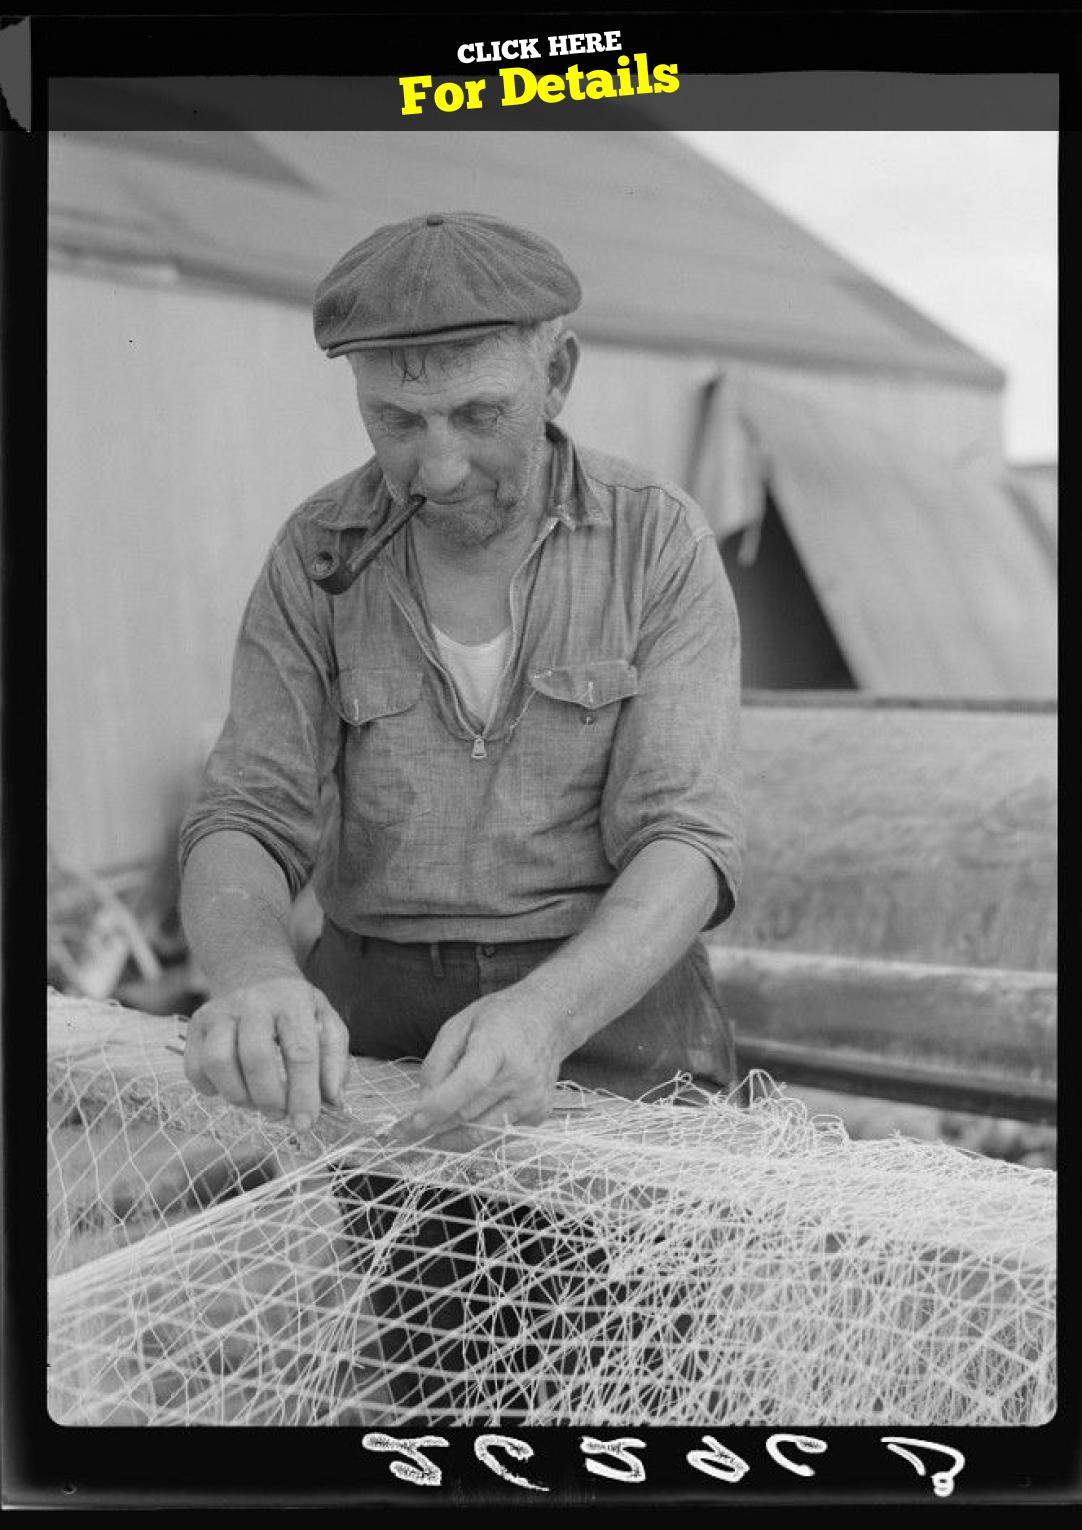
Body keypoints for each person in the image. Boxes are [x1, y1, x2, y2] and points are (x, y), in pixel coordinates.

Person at [178, 210, 744, 1416]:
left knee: (643, 1402)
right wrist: (248, 971)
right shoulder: (313, 555)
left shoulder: (657, 542)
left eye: (478, 416)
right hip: (386, 1046)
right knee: (445, 1390)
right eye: (395, 420)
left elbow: (683, 844)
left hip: (616, 1027)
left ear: (558, 373)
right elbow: (245, 812)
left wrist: (543, 1015)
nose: (433, 468)